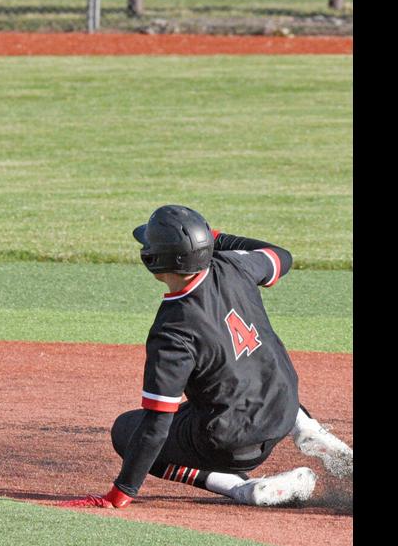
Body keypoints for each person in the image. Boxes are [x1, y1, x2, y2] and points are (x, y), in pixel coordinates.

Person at [61, 205, 354, 510]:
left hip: (236, 445)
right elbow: (281, 255)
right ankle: (308, 430)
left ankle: (241, 487)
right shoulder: (234, 267)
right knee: (253, 367)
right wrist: (215, 240)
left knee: (126, 431)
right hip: (284, 409)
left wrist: (120, 492)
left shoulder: (172, 330)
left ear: (153, 260)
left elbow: (156, 425)